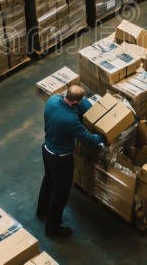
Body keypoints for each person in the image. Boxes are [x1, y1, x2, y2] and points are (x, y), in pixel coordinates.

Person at [37, 85, 104, 237]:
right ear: (75, 102)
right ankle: (52, 228)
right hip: (61, 159)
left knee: (48, 180)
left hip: (47, 150)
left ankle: (42, 211)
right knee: (61, 193)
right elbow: (89, 139)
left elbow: (80, 103)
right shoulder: (70, 120)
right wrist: (103, 136)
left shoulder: (52, 100)